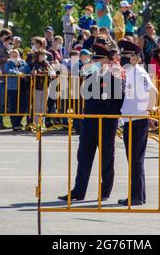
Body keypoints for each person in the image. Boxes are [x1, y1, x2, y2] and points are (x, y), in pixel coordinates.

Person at [58, 45, 124, 202]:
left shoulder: (114, 77)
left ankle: (105, 192)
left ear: (106, 61)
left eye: (97, 59)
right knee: (83, 157)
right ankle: (78, 192)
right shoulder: (90, 74)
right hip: (89, 121)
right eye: (93, 59)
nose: (93, 62)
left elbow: (118, 101)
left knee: (107, 159)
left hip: (106, 122)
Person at [118, 41, 158, 206]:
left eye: (126, 57)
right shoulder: (128, 73)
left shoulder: (139, 73)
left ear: (134, 59)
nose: (122, 60)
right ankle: (137, 195)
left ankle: (137, 196)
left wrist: (148, 111)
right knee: (133, 160)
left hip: (138, 120)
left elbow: (153, 91)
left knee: (136, 160)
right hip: (130, 120)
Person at [5, 49, 31, 132]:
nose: (14, 56)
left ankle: (18, 122)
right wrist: (18, 74)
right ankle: (15, 124)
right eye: (12, 54)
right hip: (12, 87)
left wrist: (26, 74)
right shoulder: (8, 63)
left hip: (23, 87)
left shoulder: (23, 62)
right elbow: (8, 71)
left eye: (16, 54)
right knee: (13, 106)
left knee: (23, 106)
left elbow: (28, 71)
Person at [0, 35, 14, 129]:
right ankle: (0, 123)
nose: (11, 45)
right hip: (1, 79)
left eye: (12, 43)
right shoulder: (0, 51)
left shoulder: (13, 51)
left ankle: (13, 122)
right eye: (10, 43)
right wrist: (6, 60)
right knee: (0, 102)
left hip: (10, 79)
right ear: (5, 42)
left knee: (11, 101)